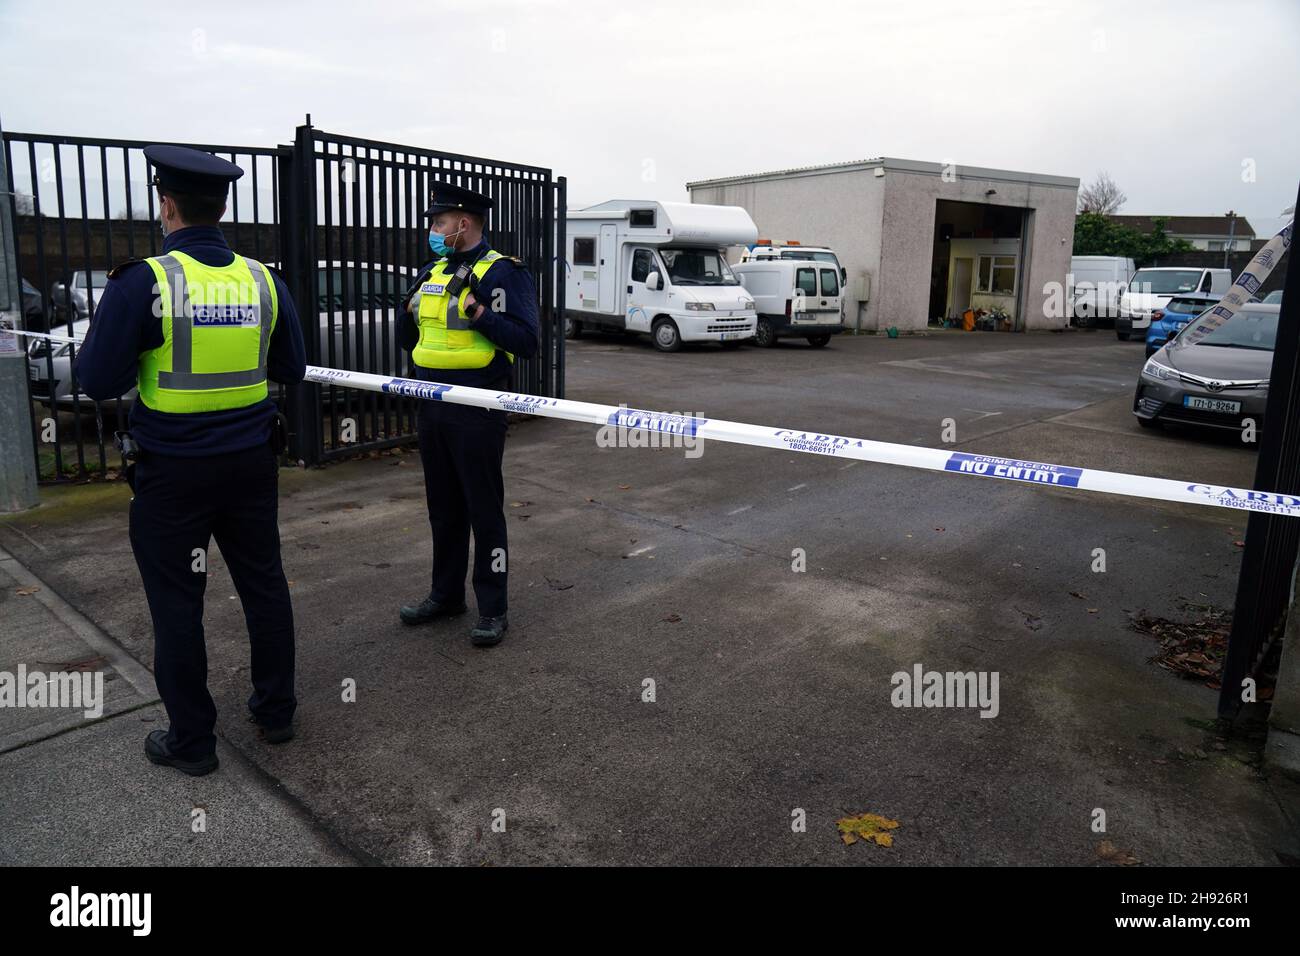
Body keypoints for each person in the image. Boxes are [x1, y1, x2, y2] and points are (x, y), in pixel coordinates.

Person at [74, 145, 306, 776]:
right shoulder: (264, 280)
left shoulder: (143, 282)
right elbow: (292, 369)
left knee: (177, 603)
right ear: (222, 206)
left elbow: (95, 380)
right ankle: (277, 710)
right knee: (263, 584)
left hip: (172, 473)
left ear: (167, 204)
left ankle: (193, 743)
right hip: (252, 464)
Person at [397, 183, 539, 647]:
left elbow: (527, 341)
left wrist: (480, 313)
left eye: (439, 223)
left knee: (483, 510)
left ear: (463, 223)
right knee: (443, 508)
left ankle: (493, 608)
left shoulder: (503, 273)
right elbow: (411, 338)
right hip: (432, 405)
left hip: (478, 406)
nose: (433, 231)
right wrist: (407, 311)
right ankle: (445, 595)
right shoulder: (431, 271)